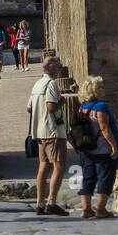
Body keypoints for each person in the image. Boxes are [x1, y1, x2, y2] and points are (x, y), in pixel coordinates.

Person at [77, 76, 118, 219]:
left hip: (87, 148)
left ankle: (86, 209)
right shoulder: (101, 107)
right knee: (105, 177)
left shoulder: (83, 107)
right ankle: (101, 209)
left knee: (88, 178)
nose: (103, 89)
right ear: (95, 90)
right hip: (102, 149)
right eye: (101, 87)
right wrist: (114, 146)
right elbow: (104, 128)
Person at [27, 55, 69, 216]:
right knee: (59, 165)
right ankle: (51, 202)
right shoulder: (51, 84)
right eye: (58, 66)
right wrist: (62, 101)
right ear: (51, 68)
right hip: (52, 131)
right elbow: (51, 106)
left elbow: (29, 108)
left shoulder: (37, 83)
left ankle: (39, 203)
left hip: (39, 131)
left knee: (43, 166)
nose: (60, 69)